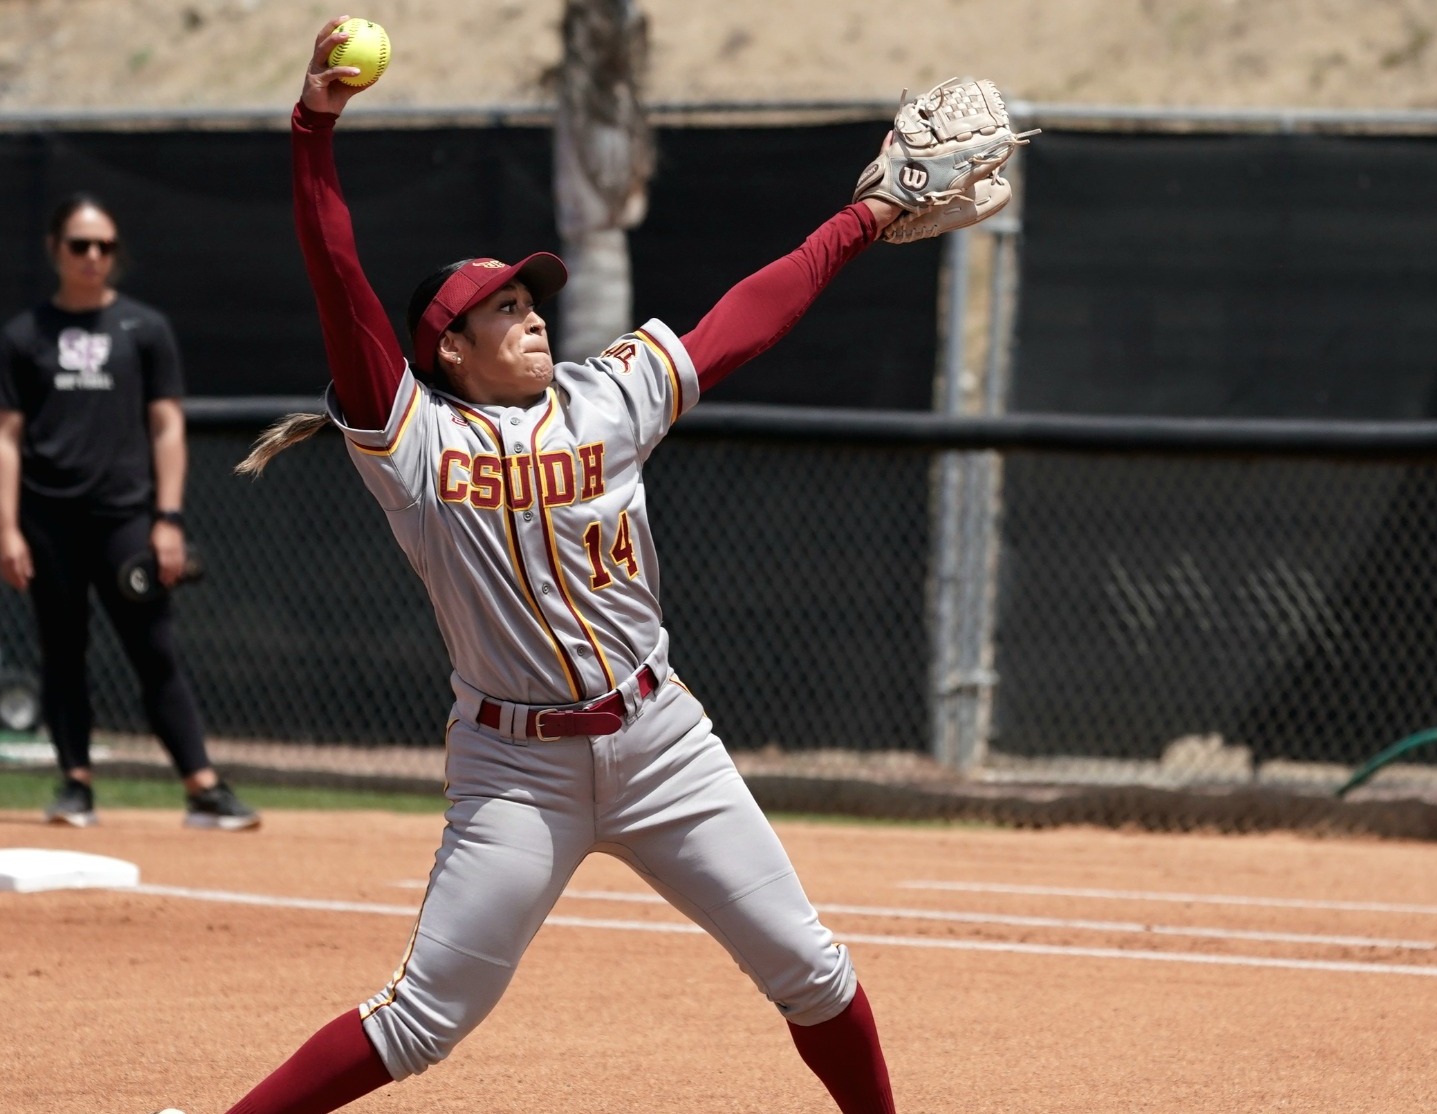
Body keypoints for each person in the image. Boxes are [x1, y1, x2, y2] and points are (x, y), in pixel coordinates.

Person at [219, 18, 1015, 1113]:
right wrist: (313, 131)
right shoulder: (413, 444)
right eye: (501, 308)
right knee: (420, 1020)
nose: (529, 315)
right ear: (447, 347)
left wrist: (864, 217)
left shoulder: (608, 395)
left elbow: (749, 313)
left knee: (812, 969)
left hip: (660, 742)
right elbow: (337, 278)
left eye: (529, 299)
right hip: (515, 773)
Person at [0, 192, 258, 832]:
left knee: (153, 648)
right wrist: (6, 529)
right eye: (80, 244)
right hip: (48, 519)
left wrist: (169, 519)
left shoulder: (144, 329)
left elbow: (167, 427)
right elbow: (3, 438)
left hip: (125, 517)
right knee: (63, 651)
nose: (93, 256)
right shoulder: (23, 335)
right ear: (55, 249)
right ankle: (75, 785)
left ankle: (201, 787)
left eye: (104, 245)